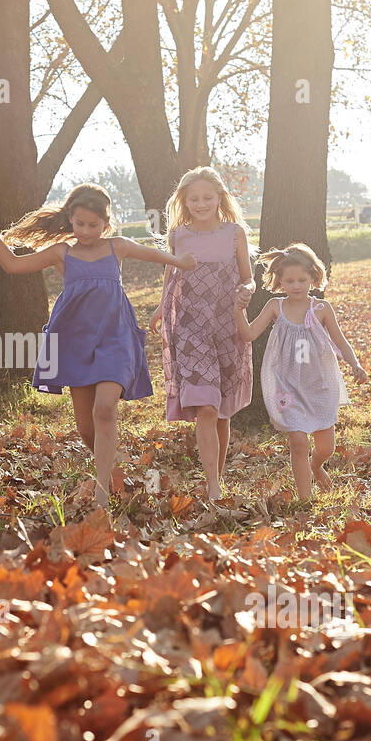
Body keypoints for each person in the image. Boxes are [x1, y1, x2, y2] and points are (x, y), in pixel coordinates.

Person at [0, 184, 197, 509]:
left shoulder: (117, 247)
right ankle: (111, 472)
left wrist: (183, 261)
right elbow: (12, 265)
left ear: (106, 223)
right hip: (74, 342)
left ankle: (102, 494)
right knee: (85, 427)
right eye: (80, 224)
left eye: (93, 225)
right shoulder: (62, 253)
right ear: (71, 220)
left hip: (114, 338)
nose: (86, 231)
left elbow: (156, 256)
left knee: (104, 409)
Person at [148, 166, 255, 501]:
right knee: (206, 408)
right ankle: (212, 486)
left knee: (220, 410)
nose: (201, 203)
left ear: (219, 198)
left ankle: (216, 479)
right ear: (184, 201)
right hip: (191, 329)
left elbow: (248, 277)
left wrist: (247, 291)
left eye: (207, 197)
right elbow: (171, 278)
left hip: (226, 325)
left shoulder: (235, 233)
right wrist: (159, 308)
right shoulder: (179, 236)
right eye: (194, 198)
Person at [233, 243, 368, 500]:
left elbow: (340, 341)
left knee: (326, 447)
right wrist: (237, 310)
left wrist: (355, 364)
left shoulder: (322, 309)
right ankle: (305, 500)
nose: (295, 285)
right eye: (289, 281)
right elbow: (249, 334)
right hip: (288, 386)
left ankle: (316, 466)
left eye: (302, 280)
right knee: (299, 442)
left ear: (313, 278)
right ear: (280, 281)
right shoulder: (275, 307)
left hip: (320, 386)